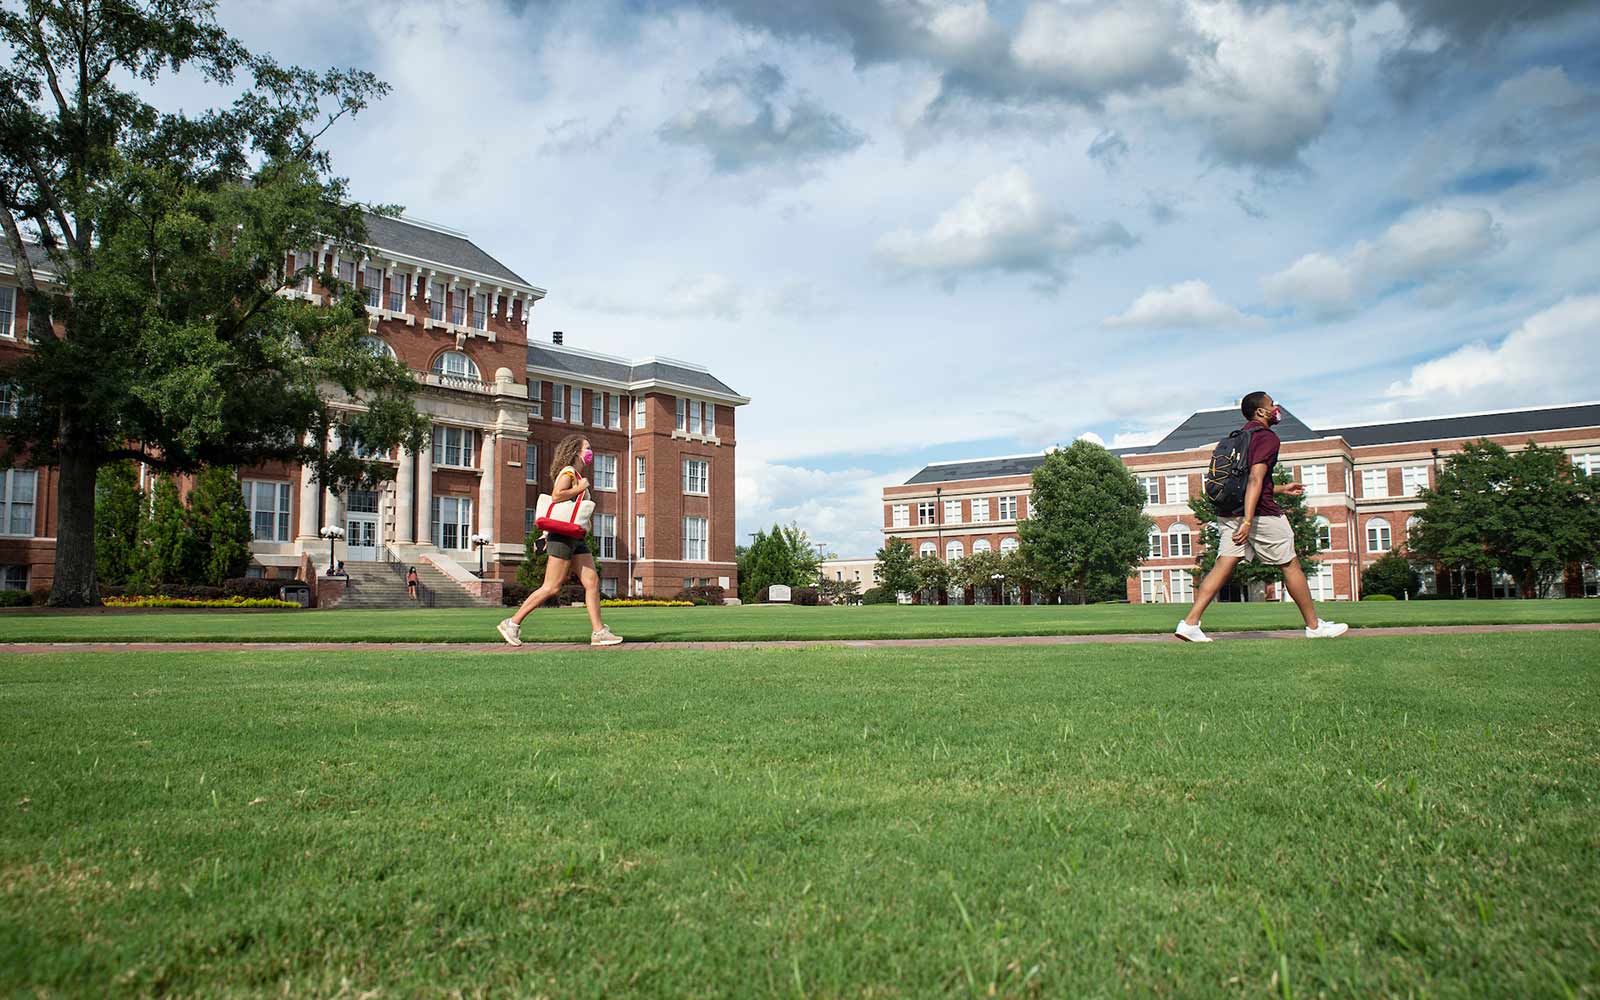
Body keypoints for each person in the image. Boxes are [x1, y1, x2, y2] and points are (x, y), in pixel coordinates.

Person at [1175, 391, 1348, 642]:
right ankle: (1314, 627)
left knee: (1223, 564)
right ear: (1260, 411)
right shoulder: (1266, 438)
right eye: (1271, 404)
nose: (1276, 408)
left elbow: (1242, 481)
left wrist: (1280, 488)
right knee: (1290, 564)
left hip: (1228, 512)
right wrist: (1248, 520)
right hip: (1260, 513)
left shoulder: (1238, 437)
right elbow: (1255, 479)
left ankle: (1190, 624)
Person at [497, 433, 624, 647]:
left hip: (576, 536)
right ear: (576, 451)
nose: (590, 452)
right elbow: (556, 496)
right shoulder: (568, 472)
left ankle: (599, 632)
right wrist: (580, 488)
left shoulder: (576, 474)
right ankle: (512, 623)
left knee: (592, 582)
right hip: (563, 536)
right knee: (551, 587)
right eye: (587, 448)